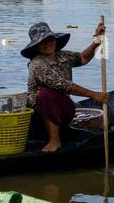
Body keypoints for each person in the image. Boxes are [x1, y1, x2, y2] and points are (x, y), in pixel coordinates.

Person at [21, 21, 108, 152]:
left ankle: (62, 133)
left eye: (49, 39)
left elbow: (83, 58)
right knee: (45, 94)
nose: (47, 44)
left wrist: (97, 41)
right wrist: (93, 95)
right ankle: (54, 140)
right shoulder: (36, 63)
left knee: (59, 99)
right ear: (36, 46)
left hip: (63, 110)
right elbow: (63, 85)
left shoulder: (63, 55)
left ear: (55, 40)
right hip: (39, 114)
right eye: (42, 42)